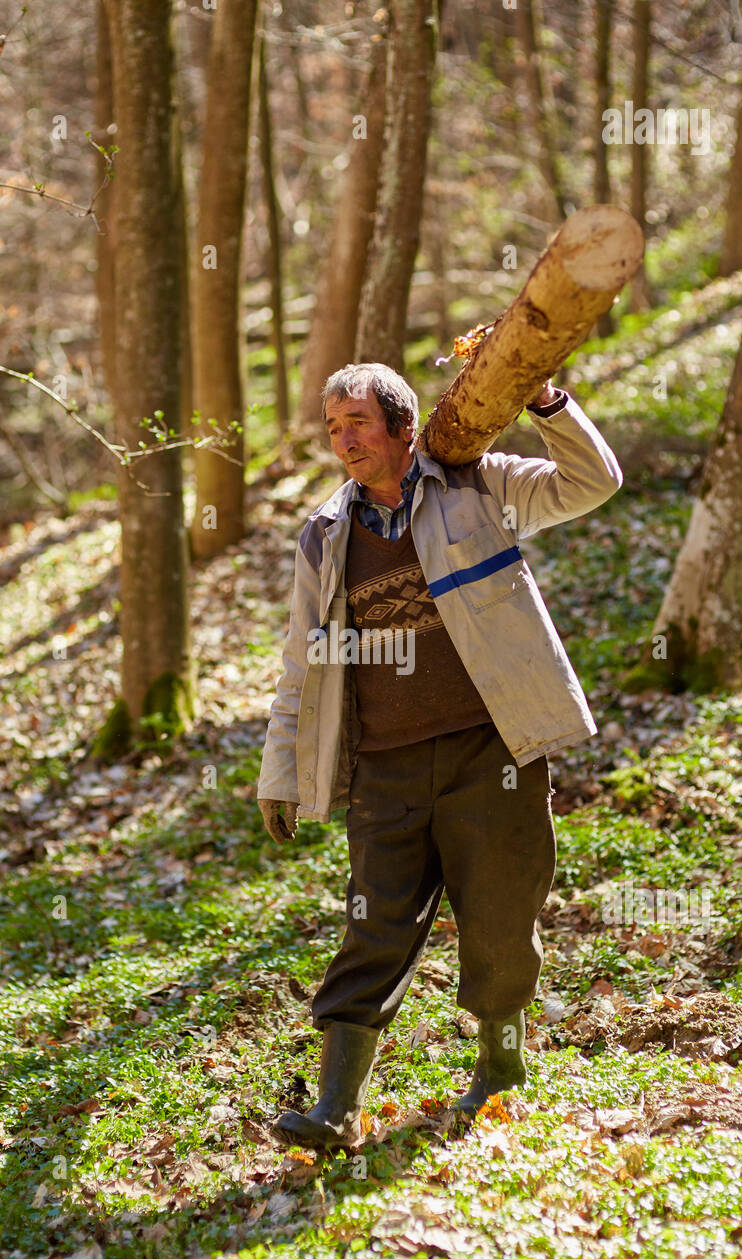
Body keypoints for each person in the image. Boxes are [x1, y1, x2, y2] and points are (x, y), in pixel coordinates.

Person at [258, 362, 622, 1148]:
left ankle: (501, 1071)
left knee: (498, 919)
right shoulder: (324, 535)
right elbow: (302, 662)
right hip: (384, 767)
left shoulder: (478, 485)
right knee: (373, 927)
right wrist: (280, 770)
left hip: (490, 749)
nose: (343, 440)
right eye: (331, 428)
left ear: (402, 427)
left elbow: (593, 480)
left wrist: (546, 401)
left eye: (357, 421)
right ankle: (336, 1107)